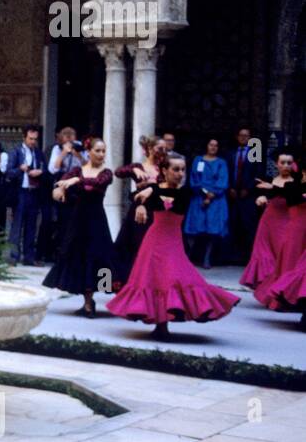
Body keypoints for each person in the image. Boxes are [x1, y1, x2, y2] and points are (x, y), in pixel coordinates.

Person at [107, 154, 239, 339]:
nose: (180, 173)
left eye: (183, 170)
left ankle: (171, 320)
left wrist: (150, 192)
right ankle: (161, 326)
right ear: (164, 171)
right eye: (176, 169)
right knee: (155, 280)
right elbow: (135, 195)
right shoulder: (154, 189)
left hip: (173, 241)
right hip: (153, 241)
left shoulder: (185, 192)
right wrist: (141, 204)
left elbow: (175, 200)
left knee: (176, 276)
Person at [43, 137, 118, 317]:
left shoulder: (106, 172)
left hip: (96, 222)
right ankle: (86, 300)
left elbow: (98, 184)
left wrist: (76, 181)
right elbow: (60, 183)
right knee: (77, 256)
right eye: (97, 150)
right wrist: (59, 190)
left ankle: (90, 300)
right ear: (89, 152)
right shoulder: (78, 170)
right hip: (78, 220)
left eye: (103, 151)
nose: (101, 154)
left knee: (97, 257)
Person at [240, 149, 302, 292]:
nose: (286, 165)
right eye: (282, 162)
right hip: (268, 222)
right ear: (277, 164)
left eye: (289, 162)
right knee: (264, 253)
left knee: (282, 255)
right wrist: (261, 199)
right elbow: (263, 195)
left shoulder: (296, 183)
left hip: (286, 222)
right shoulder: (269, 179)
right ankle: (266, 288)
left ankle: (279, 289)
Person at [112, 137, 168, 284]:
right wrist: (134, 169)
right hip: (139, 211)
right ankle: (124, 285)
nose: (163, 152)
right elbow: (118, 172)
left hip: (158, 212)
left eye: (165, 149)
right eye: (160, 148)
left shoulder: (165, 168)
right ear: (150, 149)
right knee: (132, 247)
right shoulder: (140, 166)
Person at [183, 138, 230, 270]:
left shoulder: (222, 163)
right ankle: (187, 256)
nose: (213, 147)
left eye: (216, 145)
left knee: (212, 231)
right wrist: (204, 193)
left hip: (216, 200)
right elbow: (193, 178)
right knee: (193, 229)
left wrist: (211, 195)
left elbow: (223, 180)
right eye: (211, 144)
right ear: (207, 146)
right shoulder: (198, 160)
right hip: (199, 198)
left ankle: (207, 258)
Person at [7, 125, 45, 265]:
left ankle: (29, 257)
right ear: (24, 137)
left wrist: (40, 172)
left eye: (35, 139)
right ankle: (13, 256)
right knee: (17, 225)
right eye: (30, 138)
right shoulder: (16, 152)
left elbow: (45, 170)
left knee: (31, 226)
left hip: (34, 192)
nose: (32, 142)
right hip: (20, 193)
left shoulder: (39, 153)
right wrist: (20, 169)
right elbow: (9, 172)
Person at [225, 127, 261, 263]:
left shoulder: (255, 153)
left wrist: (249, 188)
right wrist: (230, 188)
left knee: (248, 225)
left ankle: (247, 258)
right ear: (237, 137)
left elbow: (258, 174)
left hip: (248, 195)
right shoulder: (230, 153)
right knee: (231, 224)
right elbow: (226, 172)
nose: (243, 138)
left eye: (247, 136)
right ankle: (230, 256)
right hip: (232, 194)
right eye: (241, 135)